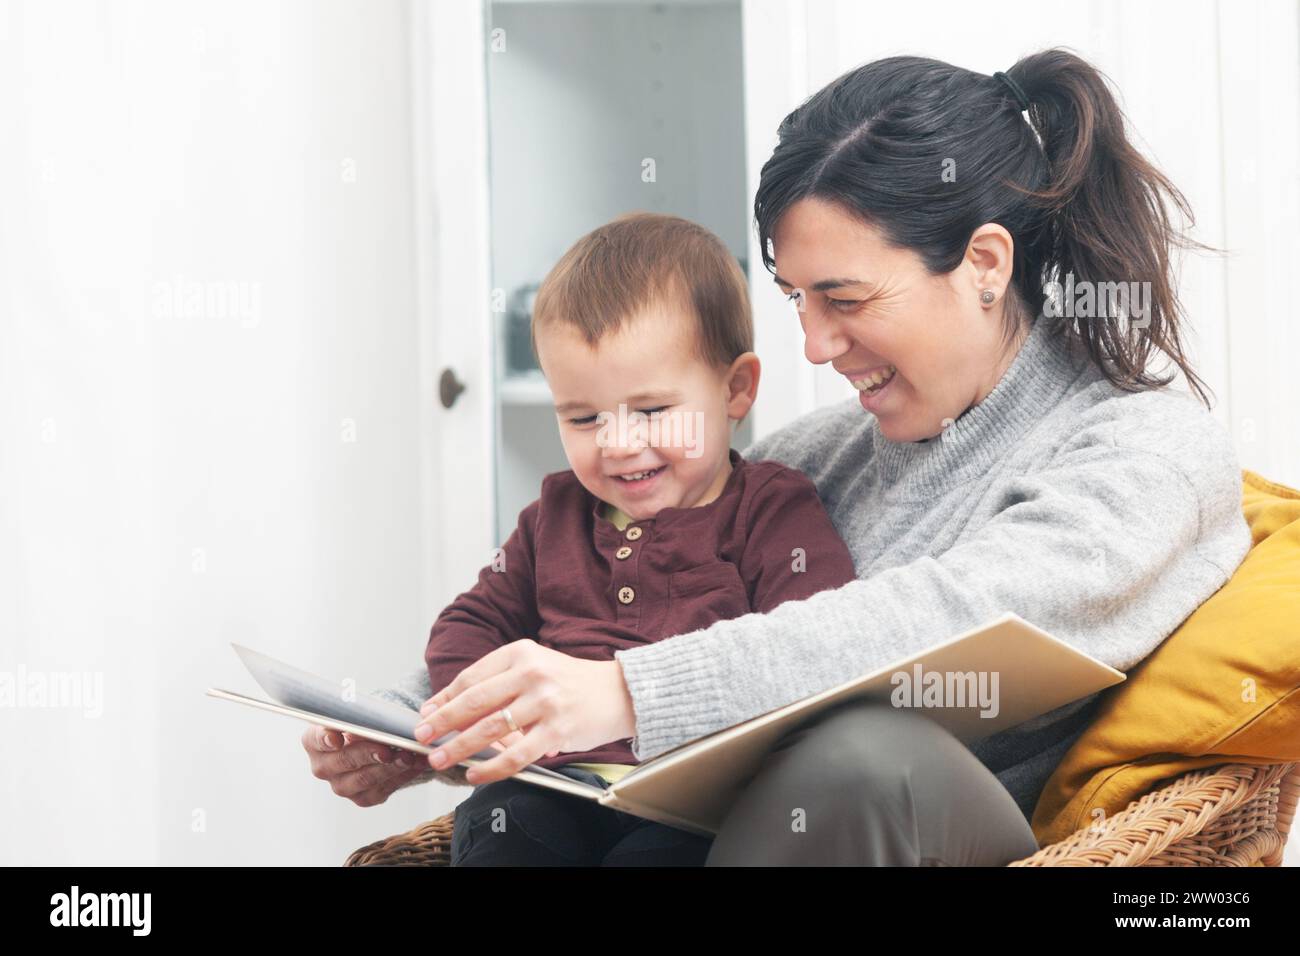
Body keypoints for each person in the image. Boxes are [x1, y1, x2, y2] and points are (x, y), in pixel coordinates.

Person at [303, 48, 1253, 866]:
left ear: (985, 265)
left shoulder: (1144, 450)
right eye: (795, 298)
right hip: (710, 830)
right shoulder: (819, 457)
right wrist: (424, 723)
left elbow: (956, 615)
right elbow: (599, 597)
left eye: (843, 298)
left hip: (942, 839)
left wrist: (629, 692)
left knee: (863, 756)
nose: (813, 345)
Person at [420, 212, 858, 865]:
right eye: (584, 417)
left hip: (693, 807)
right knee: (502, 833)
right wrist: (483, 719)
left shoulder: (770, 509)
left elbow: (817, 642)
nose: (619, 445)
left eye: (652, 411)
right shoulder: (555, 512)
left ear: (736, 389)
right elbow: (467, 626)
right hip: (549, 787)